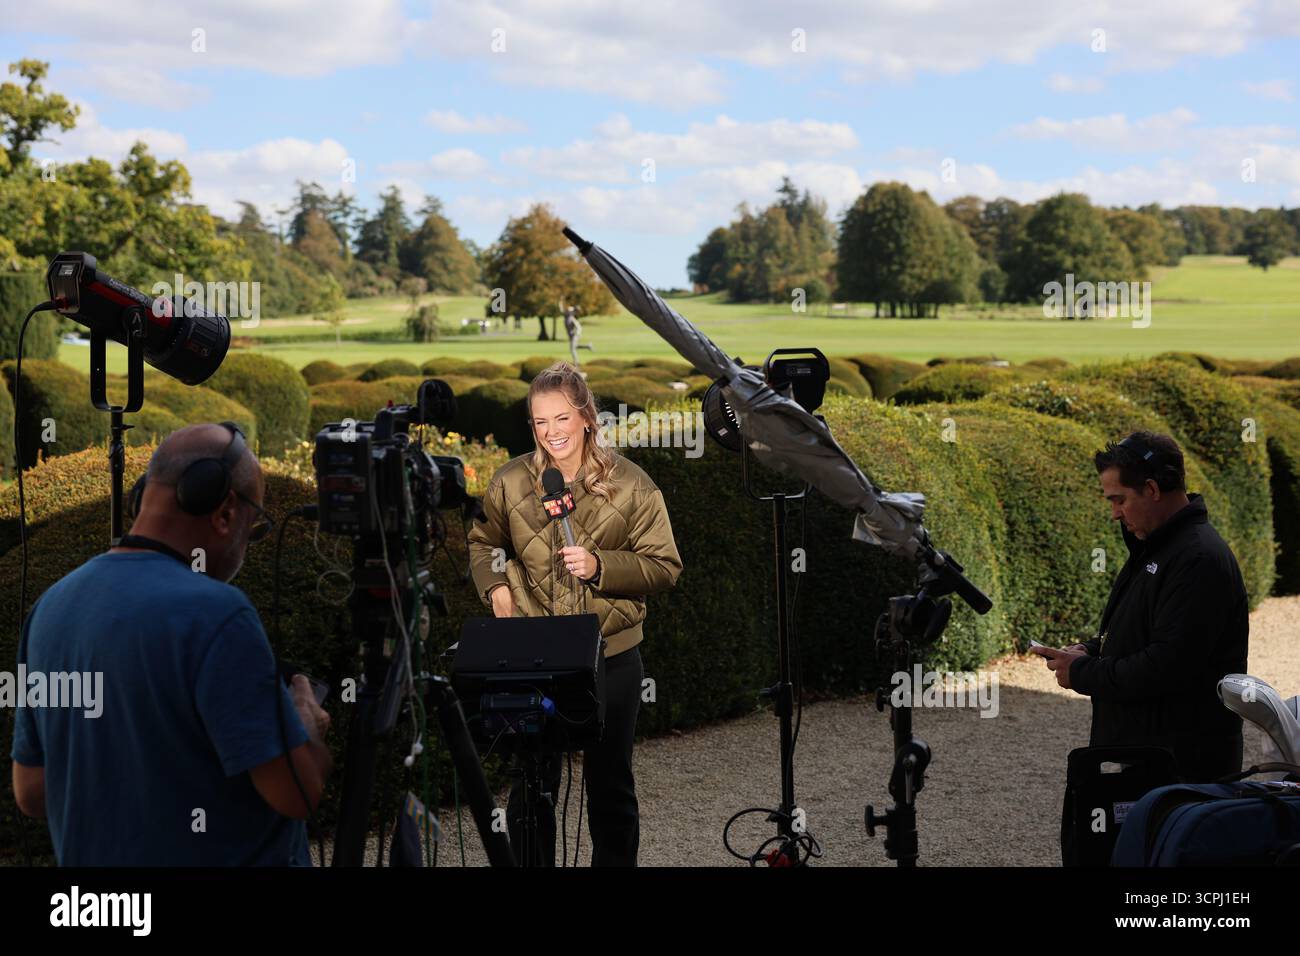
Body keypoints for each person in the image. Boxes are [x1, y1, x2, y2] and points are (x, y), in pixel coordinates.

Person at [10, 422, 333, 865]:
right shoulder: (219, 615)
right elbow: (298, 793)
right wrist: (304, 725)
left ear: (144, 493)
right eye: (253, 526)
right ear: (224, 513)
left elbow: (30, 792)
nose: (247, 543)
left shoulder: (49, 609)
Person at [467, 361, 682, 865]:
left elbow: (666, 566)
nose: (551, 432)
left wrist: (601, 565)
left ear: (586, 417)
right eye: (540, 422)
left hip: (613, 657)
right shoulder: (510, 481)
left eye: (561, 419)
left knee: (609, 788)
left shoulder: (633, 484)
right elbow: (481, 543)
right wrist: (495, 586)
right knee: (531, 787)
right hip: (533, 658)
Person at [1032, 431, 1249, 782]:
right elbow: (1144, 630)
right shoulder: (1157, 544)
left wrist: (1084, 672)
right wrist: (1091, 649)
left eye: (1120, 500)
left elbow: (1168, 665)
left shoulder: (1197, 558)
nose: (1115, 514)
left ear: (1152, 489)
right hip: (1151, 754)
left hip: (1181, 765)